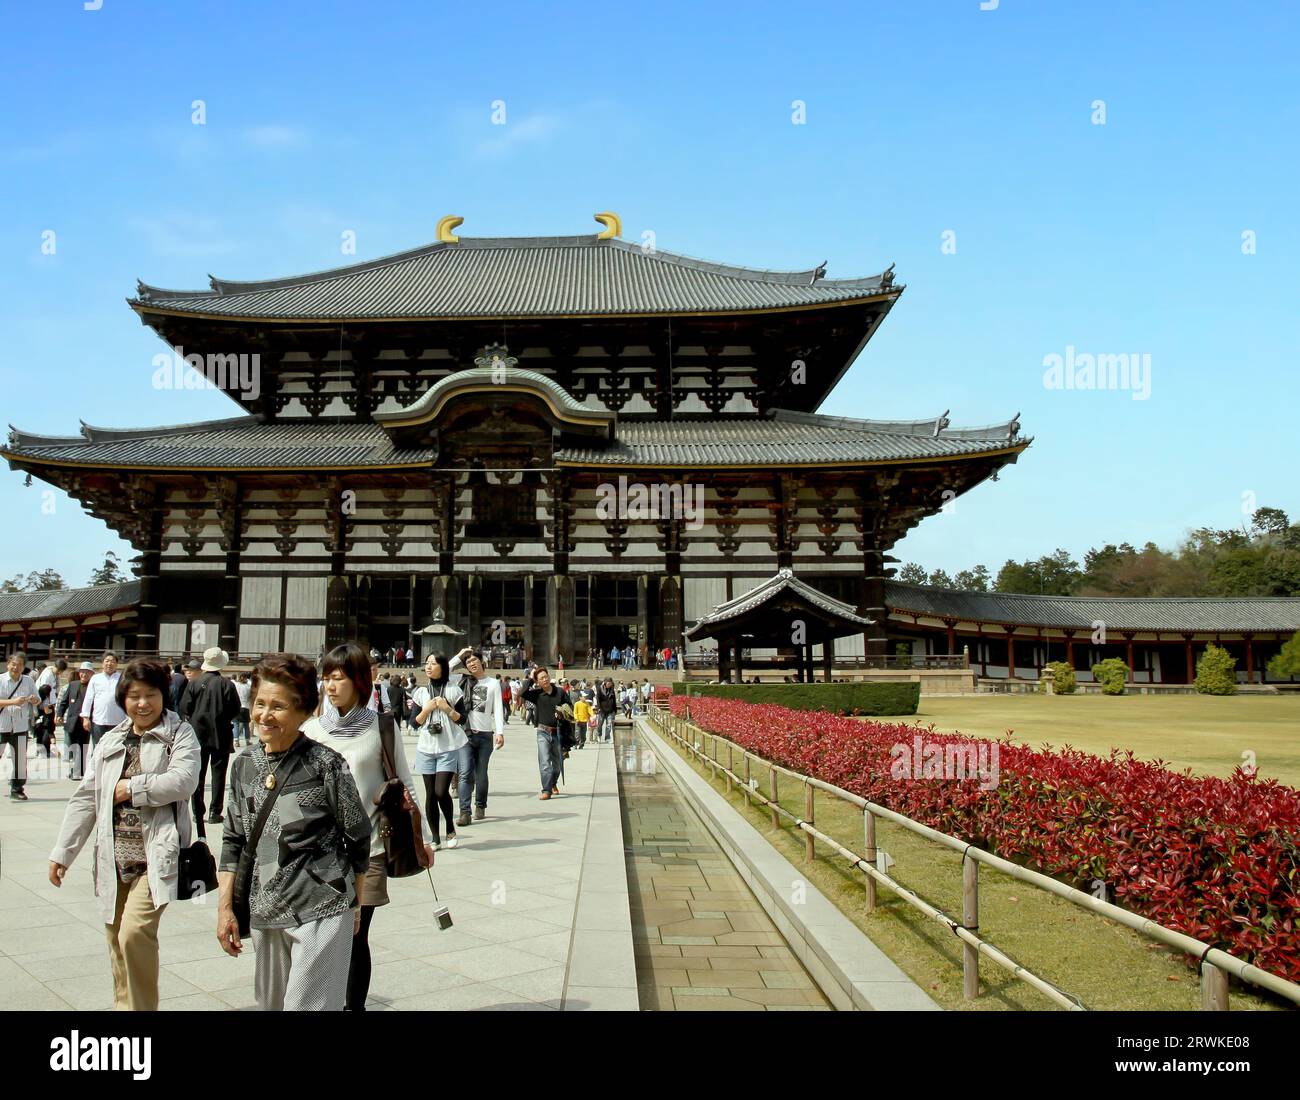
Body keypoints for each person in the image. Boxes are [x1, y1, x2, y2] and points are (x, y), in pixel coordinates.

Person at [216, 653, 372, 1012]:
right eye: (260, 704)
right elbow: (233, 840)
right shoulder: (244, 765)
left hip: (322, 902)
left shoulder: (324, 764)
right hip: (264, 907)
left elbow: (358, 833)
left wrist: (356, 902)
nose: (264, 716)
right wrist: (226, 908)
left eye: (278, 707)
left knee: (310, 1006)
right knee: (271, 1005)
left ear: (303, 712)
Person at [48, 658, 201, 1011]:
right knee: (115, 939)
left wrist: (132, 789)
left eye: (151, 694)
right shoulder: (112, 739)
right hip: (114, 856)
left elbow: (183, 781)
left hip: (156, 855)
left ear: (164, 696)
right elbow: (86, 798)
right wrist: (62, 852)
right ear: (123, 699)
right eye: (134, 696)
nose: (143, 703)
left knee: (134, 933)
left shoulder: (179, 734)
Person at [306, 643, 432, 1011]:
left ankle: (353, 1007)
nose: (330, 686)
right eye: (326, 678)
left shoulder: (380, 727)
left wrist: (420, 838)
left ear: (360, 680)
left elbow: (404, 783)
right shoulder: (311, 730)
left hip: (369, 849)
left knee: (355, 934)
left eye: (339, 678)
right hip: (318, 850)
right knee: (323, 934)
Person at [180, 647, 240, 834]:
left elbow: (185, 707)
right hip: (220, 734)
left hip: (197, 735)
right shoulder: (226, 684)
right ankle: (215, 811)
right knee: (219, 774)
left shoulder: (195, 683)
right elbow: (235, 710)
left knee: (197, 774)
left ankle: (197, 810)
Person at [410, 653, 467, 849]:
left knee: (441, 791)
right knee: (430, 794)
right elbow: (413, 723)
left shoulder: (453, 690)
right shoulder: (420, 693)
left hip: (447, 747)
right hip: (425, 748)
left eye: (433, 663)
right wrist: (426, 710)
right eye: (426, 663)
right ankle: (435, 837)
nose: (428, 666)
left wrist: (447, 708)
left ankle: (450, 828)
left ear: (442, 667)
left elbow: (462, 719)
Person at [448, 644, 506, 825]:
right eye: (469, 661)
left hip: (485, 735)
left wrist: (500, 732)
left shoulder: (493, 683)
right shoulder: (461, 680)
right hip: (464, 734)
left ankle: (480, 805)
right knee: (465, 773)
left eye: (474, 660)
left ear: (482, 662)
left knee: (481, 773)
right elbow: (445, 670)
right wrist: (459, 655)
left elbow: (497, 709)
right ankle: (464, 812)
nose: (471, 663)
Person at [522, 666, 570, 801]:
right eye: (541, 678)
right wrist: (531, 679)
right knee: (544, 762)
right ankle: (546, 789)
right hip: (542, 732)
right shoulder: (537, 694)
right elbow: (522, 692)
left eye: (546, 676)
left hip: (558, 732)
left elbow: (569, 706)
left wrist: (561, 713)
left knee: (557, 764)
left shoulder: (560, 692)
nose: (545, 679)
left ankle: (553, 782)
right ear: (538, 681)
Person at [0, 652, 38, 801]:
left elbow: (37, 699)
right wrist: (13, 702)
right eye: (13, 664)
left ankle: (17, 788)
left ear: (23, 667)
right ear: (8, 664)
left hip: (20, 726)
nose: (15, 667)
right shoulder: (1, 679)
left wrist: (35, 700)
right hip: (2, 725)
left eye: (19, 664)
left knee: (20, 761)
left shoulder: (28, 681)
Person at [58, 661, 95, 780]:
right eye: (82, 672)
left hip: (86, 721)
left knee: (83, 746)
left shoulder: (93, 686)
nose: (84, 674)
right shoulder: (73, 685)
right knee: (72, 747)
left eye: (87, 672)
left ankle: (79, 772)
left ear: (91, 674)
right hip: (72, 720)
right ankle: (75, 770)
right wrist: (59, 714)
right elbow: (64, 702)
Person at [83, 652, 126, 750]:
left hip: (118, 721)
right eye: (107, 661)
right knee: (98, 749)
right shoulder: (95, 678)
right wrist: (86, 717)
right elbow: (89, 698)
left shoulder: (122, 678)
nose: (109, 664)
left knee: (115, 750)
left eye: (112, 661)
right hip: (99, 721)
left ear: (117, 664)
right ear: (102, 663)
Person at [595, 676, 618, 744]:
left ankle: (607, 738)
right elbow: (598, 699)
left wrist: (615, 709)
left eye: (610, 683)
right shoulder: (600, 689)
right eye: (608, 683)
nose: (609, 685)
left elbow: (614, 700)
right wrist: (599, 708)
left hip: (610, 710)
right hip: (602, 709)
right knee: (600, 724)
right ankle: (599, 735)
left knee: (609, 725)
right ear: (605, 683)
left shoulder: (612, 690)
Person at [232, 673, 252, 747]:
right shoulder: (248, 686)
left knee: (236, 724)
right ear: (246, 678)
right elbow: (250, 697)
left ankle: (236, 741)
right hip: (245, 707)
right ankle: (247, 740)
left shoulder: (236, 685)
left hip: (237, 706)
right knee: (246, 725)